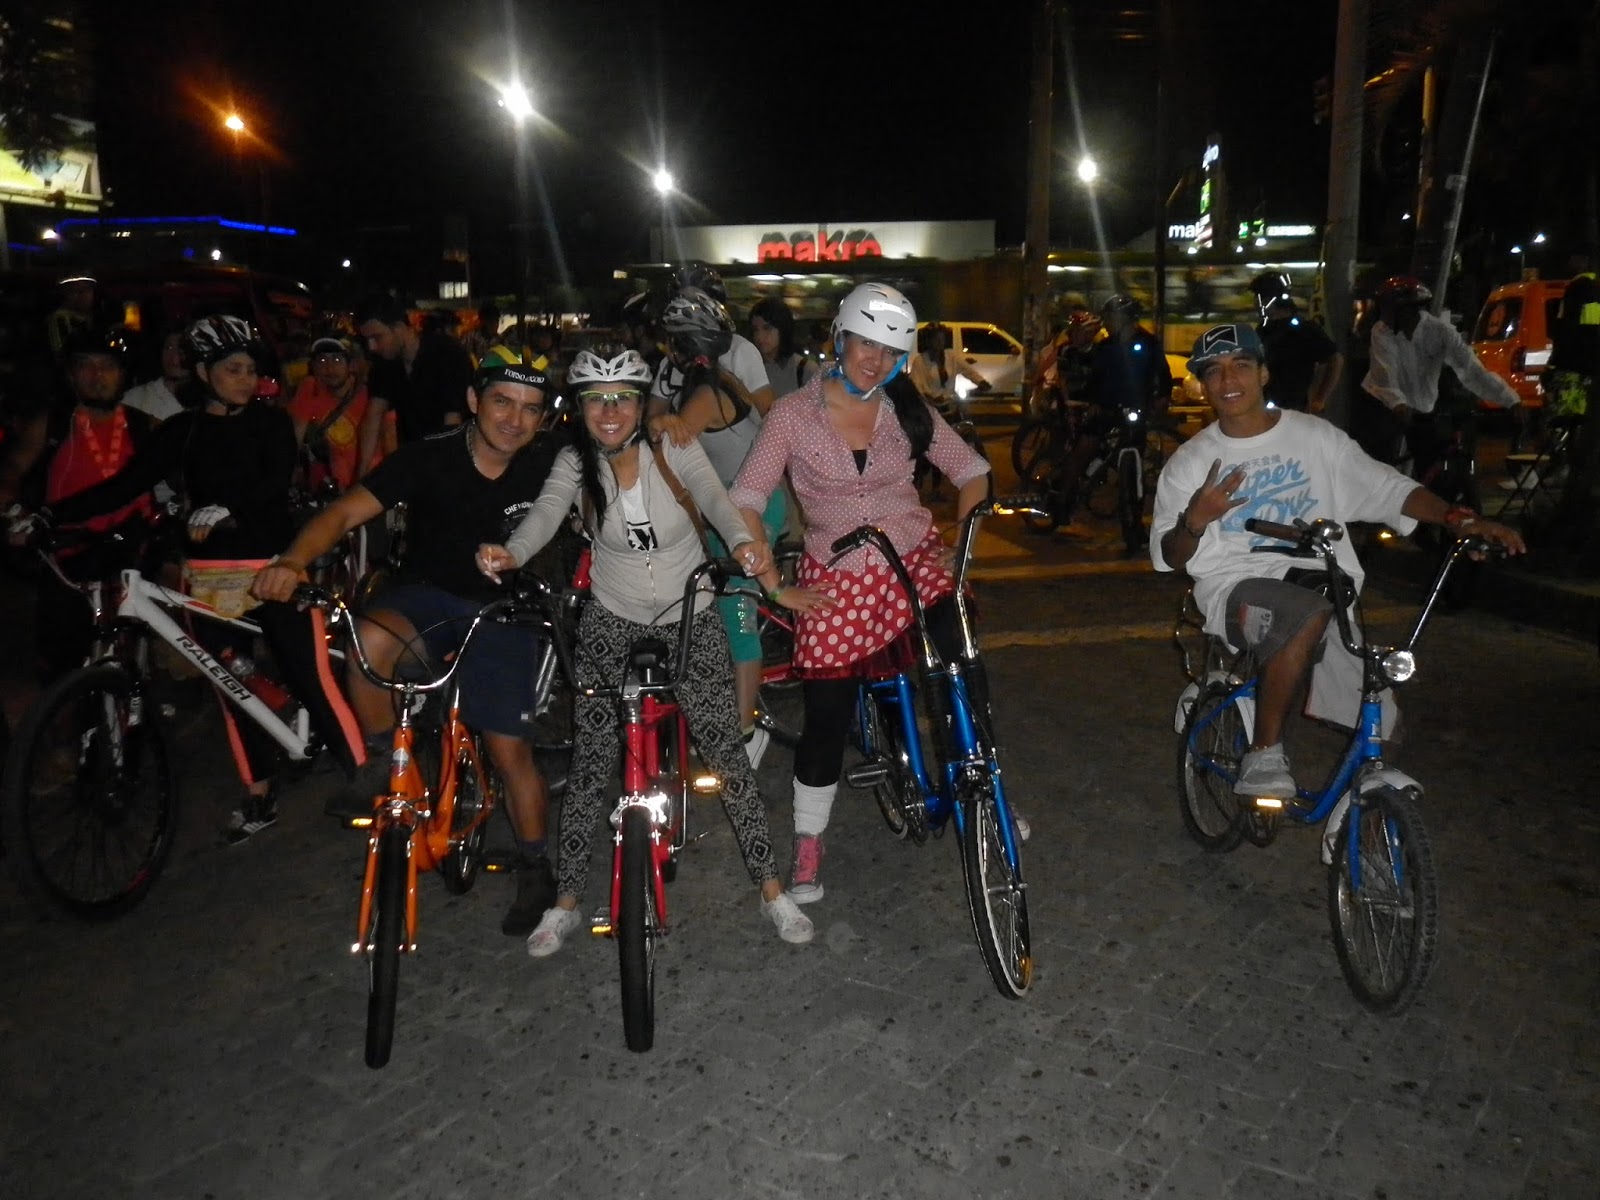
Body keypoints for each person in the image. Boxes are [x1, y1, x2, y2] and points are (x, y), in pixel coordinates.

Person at [475, 345, 815, 953]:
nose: (611, 410)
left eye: (623, 397)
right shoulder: (574, 461)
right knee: (590, 763)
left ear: (640, 401)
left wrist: (743, 544)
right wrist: (513, 553)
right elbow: (547, 513)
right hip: (613, 616)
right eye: (597, 399)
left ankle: (773, 892)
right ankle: (566, 903)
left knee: (727, 757)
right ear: (579, 408)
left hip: (691, 611)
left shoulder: (672, 445)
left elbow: (717, 501)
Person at [251, 349, 564, 934]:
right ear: (473, 402)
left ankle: (534, 863)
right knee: (368, 641)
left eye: (530, 409)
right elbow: (345, 512)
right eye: (501, 401)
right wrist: (292, 561)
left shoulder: (551, 462)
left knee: (508, 750)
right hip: (426, 598)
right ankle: (377, 767)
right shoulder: (429, 456)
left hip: (507, 610)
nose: (514, 420)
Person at [1151, 323, 1524, 799]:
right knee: (1304, 611)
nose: (1229, 380)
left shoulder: (1314, 438)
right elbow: (1169, 556)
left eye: (1241, 365)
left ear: (1264, 373)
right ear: (1203, 386)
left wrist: (1455, 519)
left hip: (1329, 590)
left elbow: (1387, 488)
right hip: (1236, 589)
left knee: (1381, 718)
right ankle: (1264, 753)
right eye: (1214, 372)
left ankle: (1362, 811)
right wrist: (1195, 521)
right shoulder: (1191, 461)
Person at [39, 316, 366, 841]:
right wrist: (49, 515)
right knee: (230, 688)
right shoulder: (181, 431)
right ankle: (258, 794)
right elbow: (125, 485)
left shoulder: (271, 422)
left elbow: (272, 484)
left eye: (250, 370)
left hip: (274, 569)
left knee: (312, 679)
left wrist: (229, 510)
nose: (244, 379)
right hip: (211, 580)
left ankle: (371, 785)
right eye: (232, 369)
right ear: (202, 371)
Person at [728, 282, 991, 903]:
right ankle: (809, 843)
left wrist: (958, 540)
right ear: (840, 338)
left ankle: (980, 788)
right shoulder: (793, 414)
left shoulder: (909, 408)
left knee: (960, 663)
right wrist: (771, 582)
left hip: (913, 564)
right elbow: (744, 496)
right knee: (827, 715)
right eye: (864, 343)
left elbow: (972, 471)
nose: (874, 359)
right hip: (837, 578)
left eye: (889, 350)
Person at [651, 290, 787, 768]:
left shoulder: (706, 394)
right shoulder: (711, 382)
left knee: (737, 620)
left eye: (672, 344)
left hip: (751, 508)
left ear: (683, 349)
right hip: (727, 505)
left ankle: (746, 732)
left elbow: (668, 456)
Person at [1, 325, 156, 678]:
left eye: (108, 366)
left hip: (133, 552)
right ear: (71, 374)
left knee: (140, 657)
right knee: (61, 663)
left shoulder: (143, 424)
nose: (97, 375)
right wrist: (14, 512)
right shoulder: (53, 423)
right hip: (69, 556)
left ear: (123, 373)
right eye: (86, 365)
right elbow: (10, 470)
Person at [1037, 294, 1172, 535]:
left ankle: (1135, 519)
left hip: (1136, 409)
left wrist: (1162, 398)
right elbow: (1095, 380)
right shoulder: (1106, 347)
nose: (1107, 323)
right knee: (1084, 450)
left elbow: (1162, 374)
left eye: (1111, 317)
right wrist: (1093, 403)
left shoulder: (1148, 343)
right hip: (1107, 408)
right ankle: (1062, 502)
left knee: (1137, 465)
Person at [1361, 276, 1520, 480]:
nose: (1384, 316)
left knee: (1433, 464)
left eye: (1388, 310)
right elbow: (1385, 377)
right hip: (1383, 403)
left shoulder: (1440, 332)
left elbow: (1472, 371)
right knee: (1379, 460)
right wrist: (1399, 406)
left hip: (1422, 408)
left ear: (1407, 310)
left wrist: (1510, 400)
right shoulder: (1381, 332)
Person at [354, 292, 474, 471]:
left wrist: (447, 474)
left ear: (399, 328)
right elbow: (373, 415)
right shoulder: (385, 362)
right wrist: (360, 476)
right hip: (413, 457)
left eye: (376, 337)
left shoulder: (447, 353)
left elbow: (452, 420)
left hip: (456, 457)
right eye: (367, 340)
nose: (372, 347)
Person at [651, 283, 774, 420]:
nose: (688, 308)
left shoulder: (740, 351)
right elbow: (654, 417)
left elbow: (770, 415)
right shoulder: (671, 362)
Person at [287, 336, 377, 492]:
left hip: (373, 481)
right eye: (321, 361)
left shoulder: (370, 391)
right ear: (313, 367)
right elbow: (294, 438)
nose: (329, 367)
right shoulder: (311, 388)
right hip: (334, 487)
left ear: (351, 365)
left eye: (336, 360)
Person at [1250, 272, 1343, 414]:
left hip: (1294, 409)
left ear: (1269, 299)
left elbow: (1335, 359)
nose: (1255, 304)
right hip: (1265, 408)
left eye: (1258, 298)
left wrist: (1319, 399)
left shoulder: (1303, 329)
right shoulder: (1263, 329)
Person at [748, 295, 819, 398]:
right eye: (755, 330)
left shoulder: (805, 370)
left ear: (782, 329)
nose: (759, 336)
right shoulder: (748, 368)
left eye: (767, 328)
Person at [120, 325, 190, 424]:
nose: (175, 358)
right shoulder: (135, 399)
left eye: (182, 349)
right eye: (169, 348)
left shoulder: (206, 402)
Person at [46, 275, 97, 362]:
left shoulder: (97, 316)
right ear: (65, 294)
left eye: (87, 290)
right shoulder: (60, 318)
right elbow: (60, 354)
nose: (83, 295)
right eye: (75, 291)